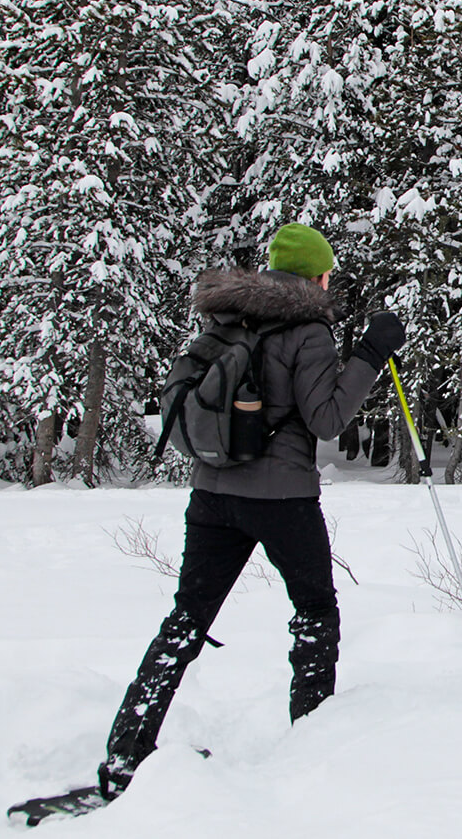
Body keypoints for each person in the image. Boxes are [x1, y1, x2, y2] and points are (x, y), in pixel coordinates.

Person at [96, 223, 405, 798]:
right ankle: (313, 746)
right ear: (317, 274)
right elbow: (327, 419)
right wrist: (369, 352)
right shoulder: (309, 329)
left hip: (212, 493)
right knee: (315, 612)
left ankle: (124, 755)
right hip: (283, 498)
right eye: (327, 271)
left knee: (186, 619)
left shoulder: (227, 319)